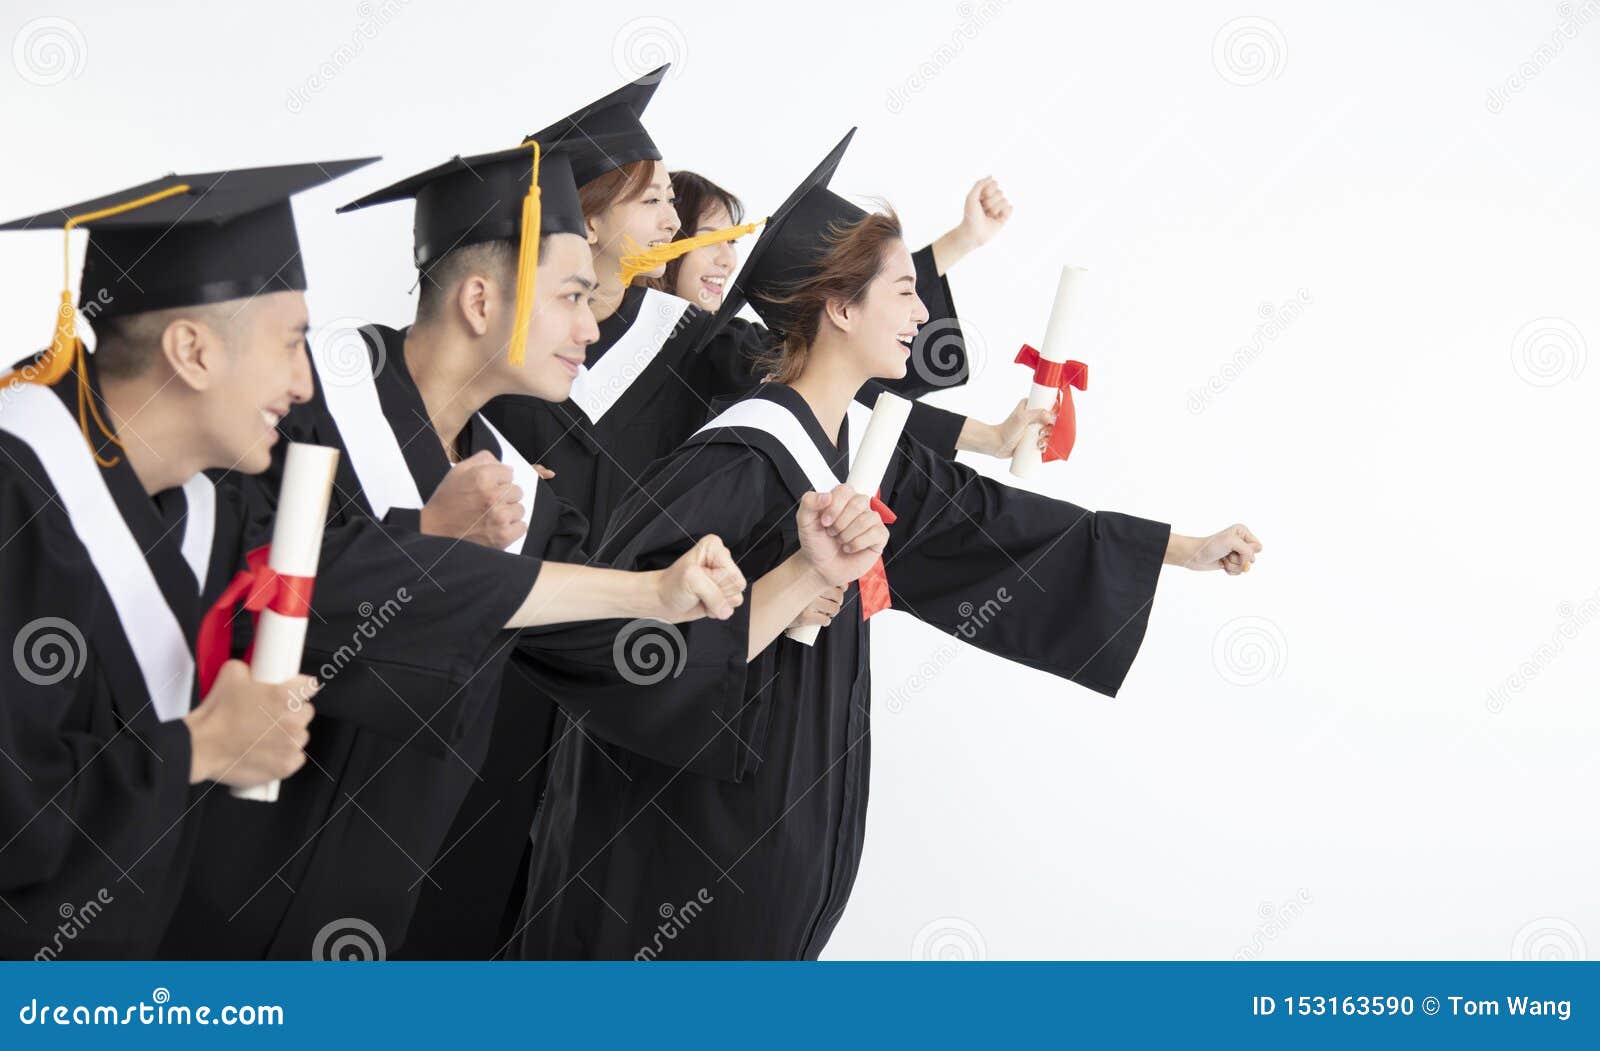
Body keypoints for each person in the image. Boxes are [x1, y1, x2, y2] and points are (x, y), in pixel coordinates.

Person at [509, 135, 1263, 959]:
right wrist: (791, 582)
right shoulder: (733, 458)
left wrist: (1180, 550)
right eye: (906, 291)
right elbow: (608, 645)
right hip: (679, 857)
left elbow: (988, 523)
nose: (921, 315)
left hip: (781, 845)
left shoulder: (854, 457)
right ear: (838, 307)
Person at [0, 161, 672, 958]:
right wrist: (202, 747)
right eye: (289, 343)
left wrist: (654, 593)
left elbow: (340, 574)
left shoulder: (207, 508)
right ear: (191, 350)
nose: (302, 375)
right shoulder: (20, 497)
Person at [158, 147, 748, 960]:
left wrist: (701, 586)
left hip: (362, 923)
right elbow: (218, 609)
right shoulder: (292, 409)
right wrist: (428, 542)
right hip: (189, 899)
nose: (592, 324)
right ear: (479, 299)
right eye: (572, 298)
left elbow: (614, 656)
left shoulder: (517, 492)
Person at [484, 71, 1044, 555]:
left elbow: (838, 382)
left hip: (653, 613)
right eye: (653, 201)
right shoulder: (496, 344)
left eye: (671, 203)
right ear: (587, 223)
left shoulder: (686, 338)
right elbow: (435, 424)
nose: (672, 223)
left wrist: (990, 437)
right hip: (521, 601)